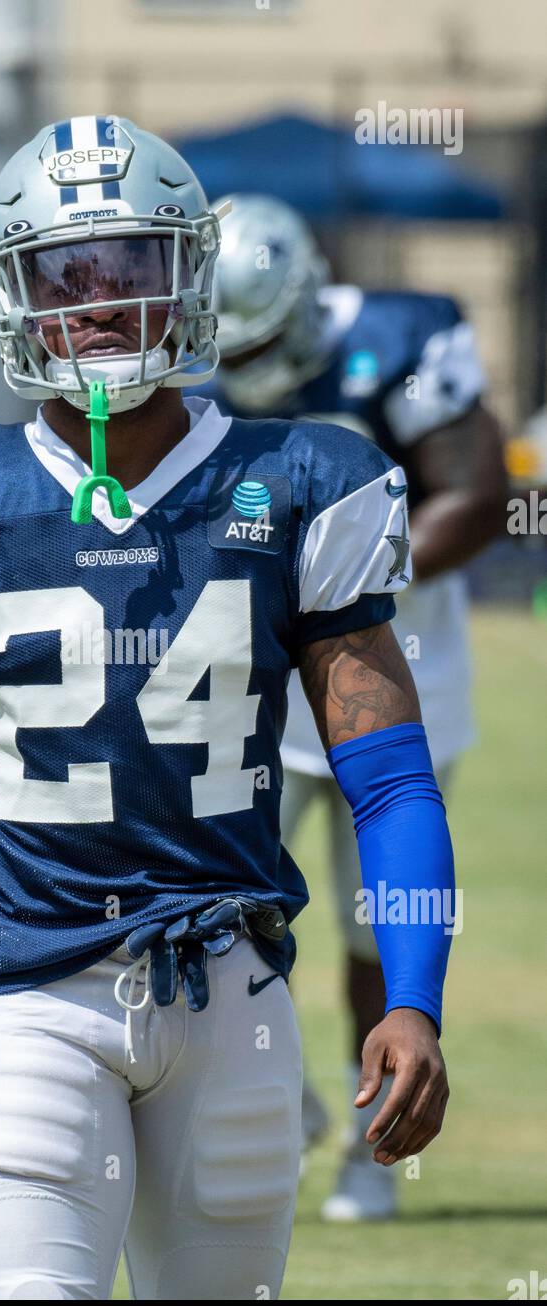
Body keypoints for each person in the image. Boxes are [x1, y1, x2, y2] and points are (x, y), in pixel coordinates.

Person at [0, 116, 454, 1300]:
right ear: (11, 293)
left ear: (188, 277)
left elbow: (386, 777)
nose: (99, 302)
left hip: (231, 994)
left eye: (130, 267)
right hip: (28, 993)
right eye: (64, 272)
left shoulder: (301, 482)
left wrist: (414, 996)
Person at [209, 194, 506, 1221]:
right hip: (249, 681)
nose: (238, 367)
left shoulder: (399, 334)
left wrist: (337, 575)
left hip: (390, 664)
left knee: (374, 933)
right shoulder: (182, 351)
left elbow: (475, 493)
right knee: (219, 911)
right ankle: (278, 1105)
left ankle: (366, 1147)